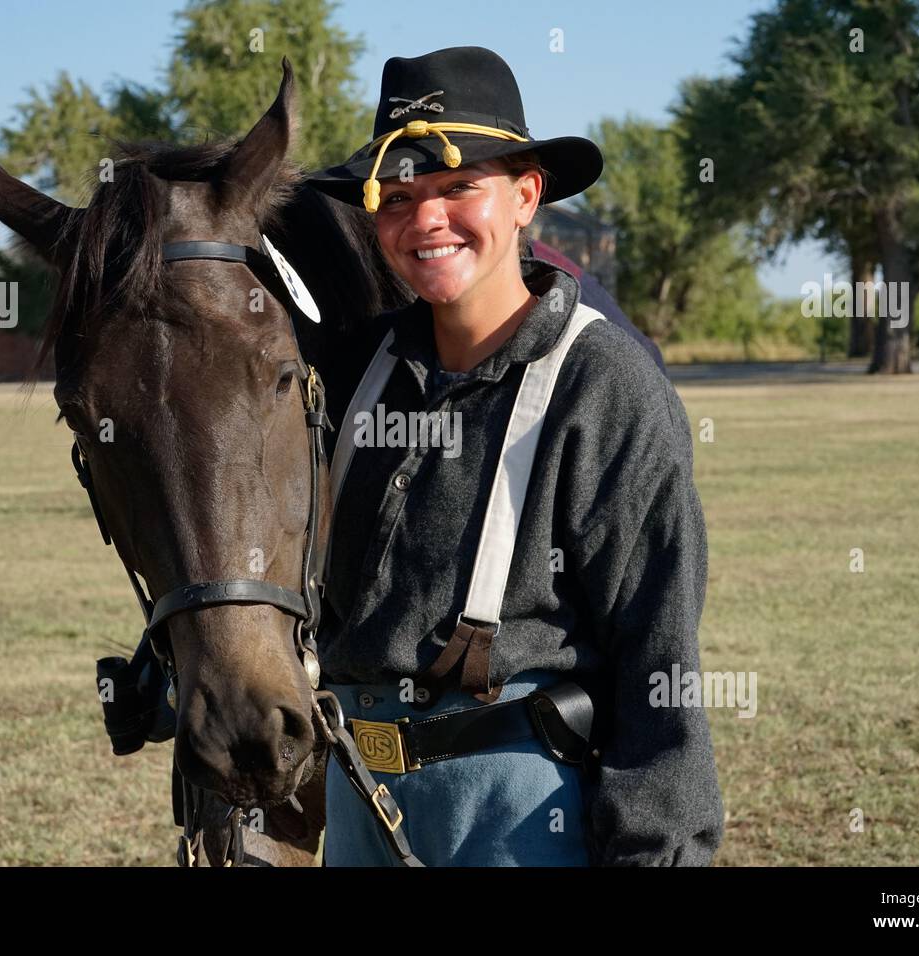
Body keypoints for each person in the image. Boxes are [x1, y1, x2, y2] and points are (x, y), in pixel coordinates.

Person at [306, 46, 723, 866]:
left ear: (527, 194)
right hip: (354, 807)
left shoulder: (607, 386)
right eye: (397, 197)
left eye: (459, 188)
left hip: (519, 818)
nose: (425, 221)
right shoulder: (354, 373)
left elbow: (658, 659)